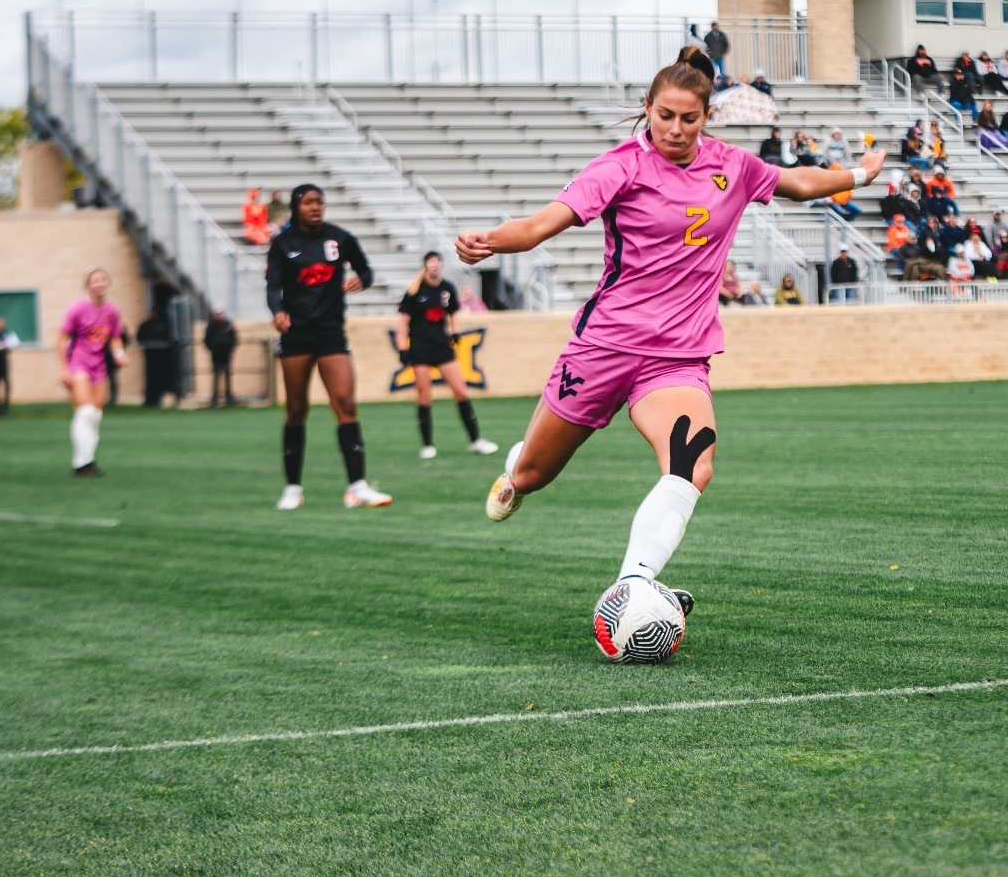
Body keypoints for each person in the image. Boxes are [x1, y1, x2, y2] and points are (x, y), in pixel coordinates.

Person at [454, 46, 883, 620]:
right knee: (535, 473)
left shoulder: (734, 166)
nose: (675, 129)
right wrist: (487, 240)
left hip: (677, 357)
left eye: (689, 118)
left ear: (707, 117)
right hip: (604, 346)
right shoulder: (618, 167)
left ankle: (632, 586)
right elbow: (537, 227)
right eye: (664, 116)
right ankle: (517, 467)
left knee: (693, 462)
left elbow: (798, 183)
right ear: (648, 110)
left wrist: (857, 174)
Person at [268, 183, 390, 510]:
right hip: (296, 335)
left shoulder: (339, 238)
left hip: (331, 332)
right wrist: (277, 312)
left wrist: (360, 280)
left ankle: (357, 487)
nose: (316, 207)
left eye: (319, 202)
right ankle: (293, 487)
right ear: (296, 207)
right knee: (295, 410)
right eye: (308, 202)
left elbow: (366, 269)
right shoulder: (283, 243)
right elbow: (273, 287)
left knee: (346, 404)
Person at [397, 251, 499, 461]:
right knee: (424, 396)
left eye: (437, 262)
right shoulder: (414, 291)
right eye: (430, 262)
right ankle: (427, 445)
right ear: (425, 265)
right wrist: (402, 348)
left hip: (441, 346)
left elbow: (452, 314)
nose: (434, 265)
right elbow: (403, 322)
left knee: (461, 392)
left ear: (441, 265)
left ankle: (476, 440)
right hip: (420, 347)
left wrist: (454, 332)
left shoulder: (446, 289)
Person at [57, 268, 127, 478]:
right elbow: (62, 339)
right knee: (85, 412)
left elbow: (115, 337)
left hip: (99, 366)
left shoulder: (111, 311)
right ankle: (81, 463)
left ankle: (87, 460)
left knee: (95, 415)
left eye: (102, 279)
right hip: (78, 364)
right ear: (87, 286)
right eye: (94, 281)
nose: (99, 283)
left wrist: (119, 354)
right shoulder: (78, 308)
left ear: (108, 283)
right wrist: (64, 369)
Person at [135, 309, 176, 408]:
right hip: (150, 356)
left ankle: (157, 400)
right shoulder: (146, 325)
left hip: (161, 357)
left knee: (159, 379)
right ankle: (149, 400)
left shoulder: (163, 325)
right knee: (149, 379)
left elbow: (169, 338)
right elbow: (139, 337)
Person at [204, 308, 238, 406]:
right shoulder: (211, 325)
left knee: (227, 374)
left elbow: (233, 338)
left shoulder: (227, 324)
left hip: (226, 354)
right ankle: (215, 396)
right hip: (215, 354)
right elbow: (207, 340)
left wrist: (229, 349)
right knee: (216, 374)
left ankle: (229, 396)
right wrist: (213, 349)